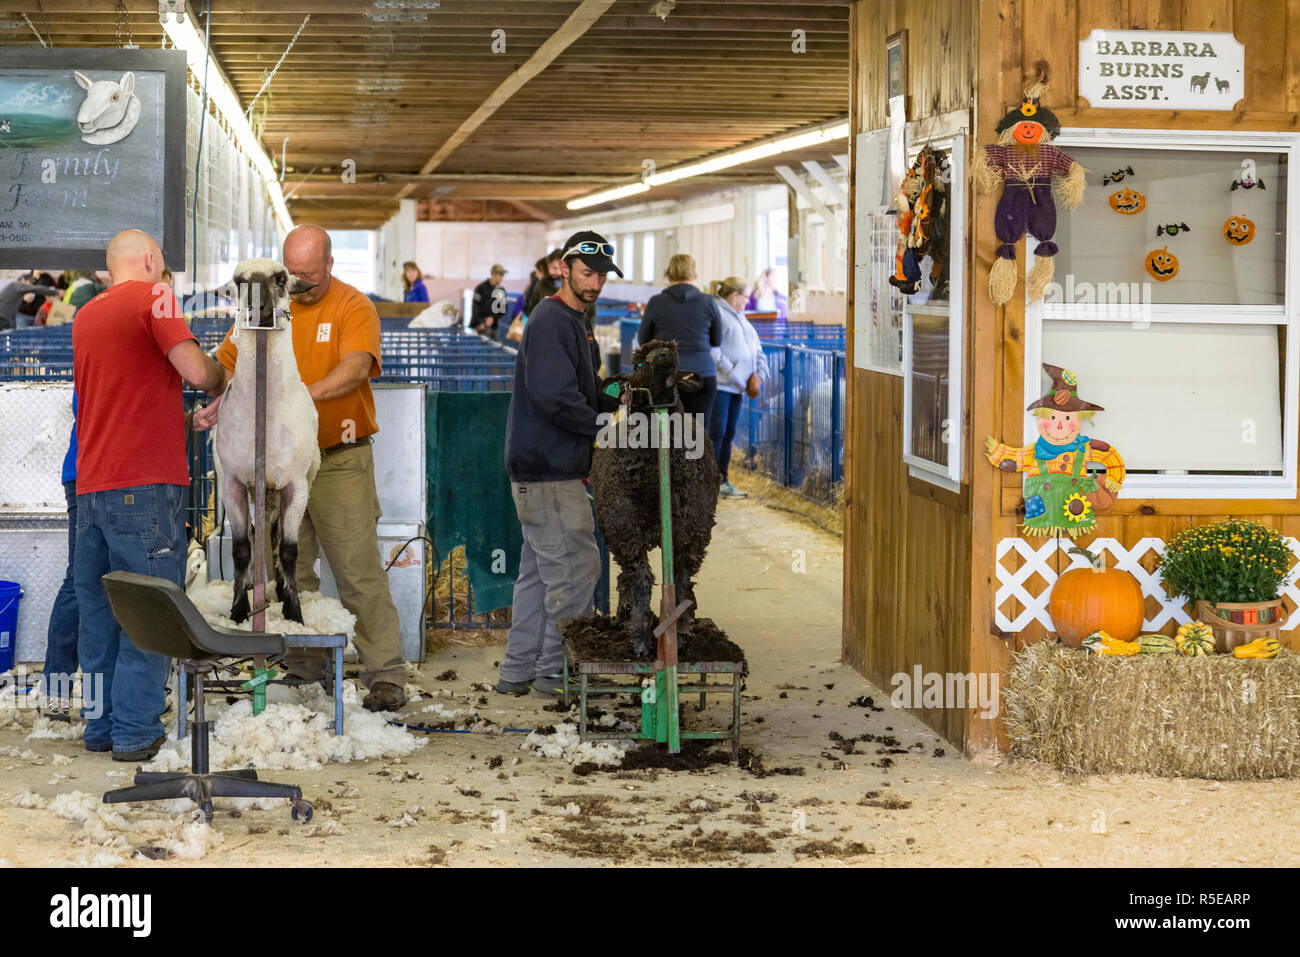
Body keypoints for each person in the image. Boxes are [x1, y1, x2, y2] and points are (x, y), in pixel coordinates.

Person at [197, 225, 408, 712]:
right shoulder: (260, 309)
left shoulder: (353, 306)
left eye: (308, 274)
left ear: (330, 265)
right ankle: (304, 668)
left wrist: (300, 402)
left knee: (357, 570)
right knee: (293, 570)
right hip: (272, 464)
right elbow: (230, 364)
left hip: (335, 458)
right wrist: (214, 397)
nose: (299, 283)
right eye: (291, 274)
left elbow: (357, 365)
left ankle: (385, 673)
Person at [74, 230, 227, 760]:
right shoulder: (155, 296)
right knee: (151, 610)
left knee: (99, 617)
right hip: (145, 487)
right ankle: (137, 733)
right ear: (151, 260)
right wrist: (220, 374)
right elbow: (195, 369)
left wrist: (183, 421)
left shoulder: (86, 316)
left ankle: (99, 728)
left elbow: (120, 402)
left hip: (93, 490)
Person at [497, 230, 622, 697]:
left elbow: (583, 388)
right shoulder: (552, 319)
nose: (595, 284)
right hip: (549, 469)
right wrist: (604, 425)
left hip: (545, 468)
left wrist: (616, 392)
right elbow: (554, 396)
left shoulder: (577, 322)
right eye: (587, 273)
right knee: (576, 570)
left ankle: (518, 671)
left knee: (537, 574)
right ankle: (558, 674)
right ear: (563, 269)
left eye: (602, 276)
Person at [637, 253, 721, 421]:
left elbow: (643, 340)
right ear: (694, 274)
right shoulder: (708, 302)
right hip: (702, 374)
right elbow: (717, 340)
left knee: (666, 436)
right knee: (697, 435)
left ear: (669, 274)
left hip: (666, 376)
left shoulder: (656, 302)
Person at [39, 391, 80, 721]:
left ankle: (57, 691)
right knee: (80, 581)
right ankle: (55, 691)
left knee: (81, 581)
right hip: (93, 476)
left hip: (87, 473)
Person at [709, 276, 768, 499]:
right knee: (717, 433)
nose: (748, 301)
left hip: (738, 387)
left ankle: (722, 480)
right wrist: (734, 374)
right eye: (746, 296)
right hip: (723, 386)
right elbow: (712, 350)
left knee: (728, 433)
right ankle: (709, 481)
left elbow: (757, 349)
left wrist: (759, 375)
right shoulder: (718, 315)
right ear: (734, 296)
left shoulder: (743, 319)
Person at [470, 263, 508, 334]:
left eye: (502, 275)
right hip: (481, 327)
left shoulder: (501, 290)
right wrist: (479, 322)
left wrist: (493, 318)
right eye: (500, 275)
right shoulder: (480, 288)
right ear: (493, 274)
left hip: (494, 327)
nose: (502, 278)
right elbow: (475, 306)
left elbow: (503, 309)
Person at [524, 249, 563, 314]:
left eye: (555, 268)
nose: (551, 272)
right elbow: (532, 309)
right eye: (549, 267)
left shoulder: (573, 286)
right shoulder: (541, 284)